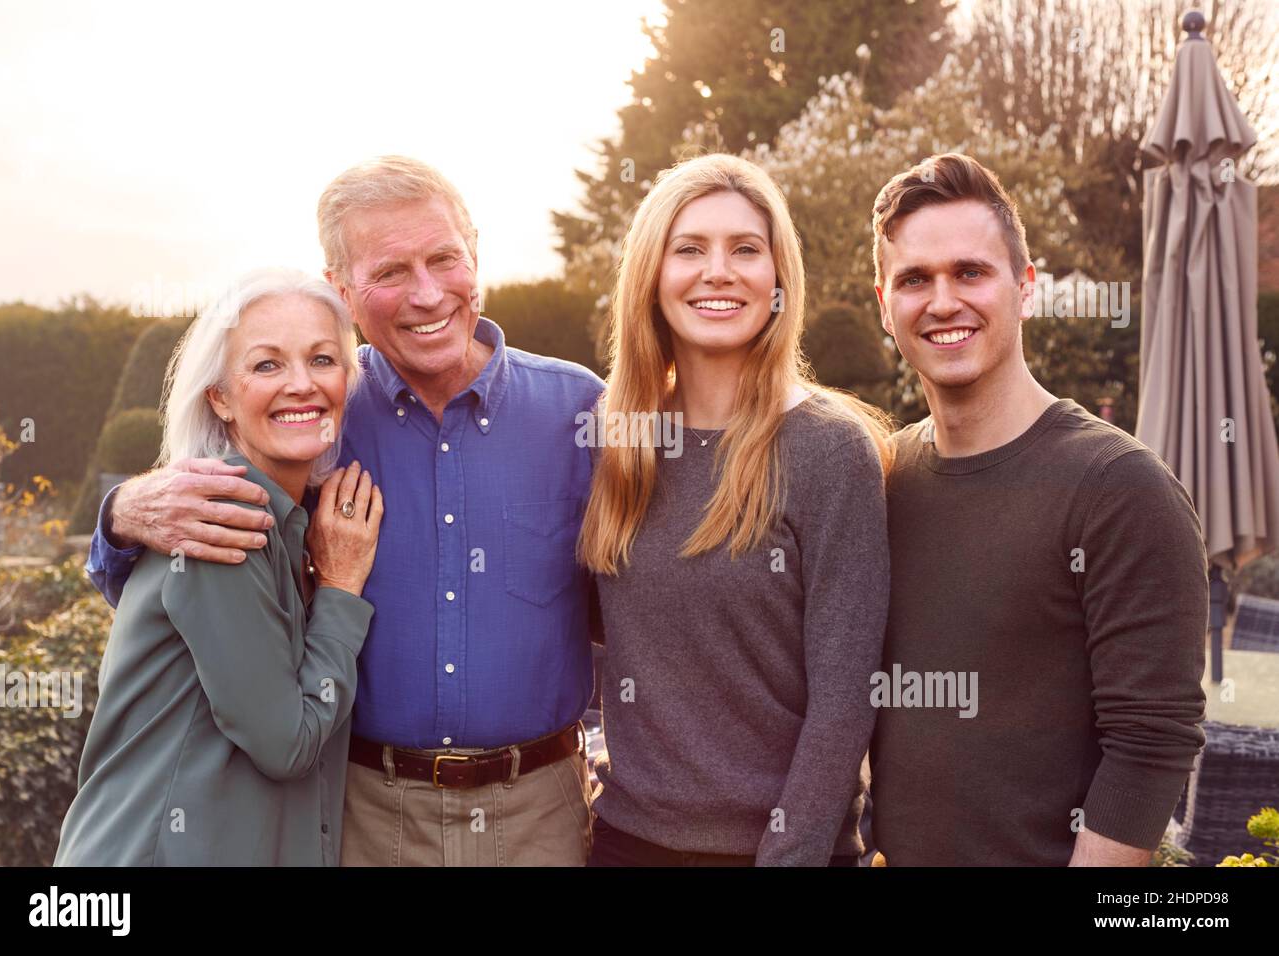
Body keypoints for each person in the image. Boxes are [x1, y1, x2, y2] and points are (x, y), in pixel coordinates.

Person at [85, 157, 603, 866]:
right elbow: (183, 591)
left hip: (540, 811)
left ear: (475, 252)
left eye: (444, 258)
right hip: (364, 813)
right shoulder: (316, 416)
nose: (427, 294)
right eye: (391, 273)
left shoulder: (578, 410)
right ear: (342, 288)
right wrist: (120, 513)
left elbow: (650, 601)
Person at [867, 153, 1207, 866]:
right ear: (884, 304)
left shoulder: (1120, 488)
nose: (942, 301)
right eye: (914, 279)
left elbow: (1150, 745)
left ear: (1024, 288)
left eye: (970, 272)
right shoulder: (883, 479)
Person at [580, 153, 892, 867]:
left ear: (779, 279)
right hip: (627, 843)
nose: (718, 270)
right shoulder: (618, 441)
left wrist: (790, 854)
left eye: (746, 249)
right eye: (689, 249)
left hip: (786, 853)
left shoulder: (829, 449)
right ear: (652, 277)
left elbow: (846, 700)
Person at [56, 268, 382, 865]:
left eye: (322, 359)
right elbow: (287, 744)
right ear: (220, 397)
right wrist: (340, 588)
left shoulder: (289, 519)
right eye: (266, 365)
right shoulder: (219, 520)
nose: (302, 385)